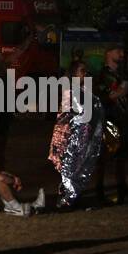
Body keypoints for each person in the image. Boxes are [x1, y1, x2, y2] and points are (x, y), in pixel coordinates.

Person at [48, 60, 104, 210]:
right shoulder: (71, 91)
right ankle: (67, 201)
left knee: (81, 167)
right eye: (82, 71)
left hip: (84, 136)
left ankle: (72, 198)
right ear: (74, 74)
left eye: (86, 71)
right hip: (71, 136)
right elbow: (73, 115)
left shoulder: (85, 90)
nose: (85, 74)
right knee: (69, 167)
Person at [94, 40, 128, 204]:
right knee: (104, 156)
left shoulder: (123, 73)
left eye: (122, 51)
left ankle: (122, 190)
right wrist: (121, 91)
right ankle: (99, 191)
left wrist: (121, 92)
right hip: (109, 118)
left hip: (123, 117)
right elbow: (107, 96)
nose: (121, 54)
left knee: (121, 156)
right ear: (108, 53)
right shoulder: (102, 75)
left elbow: (123, 92)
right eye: (118, 51)